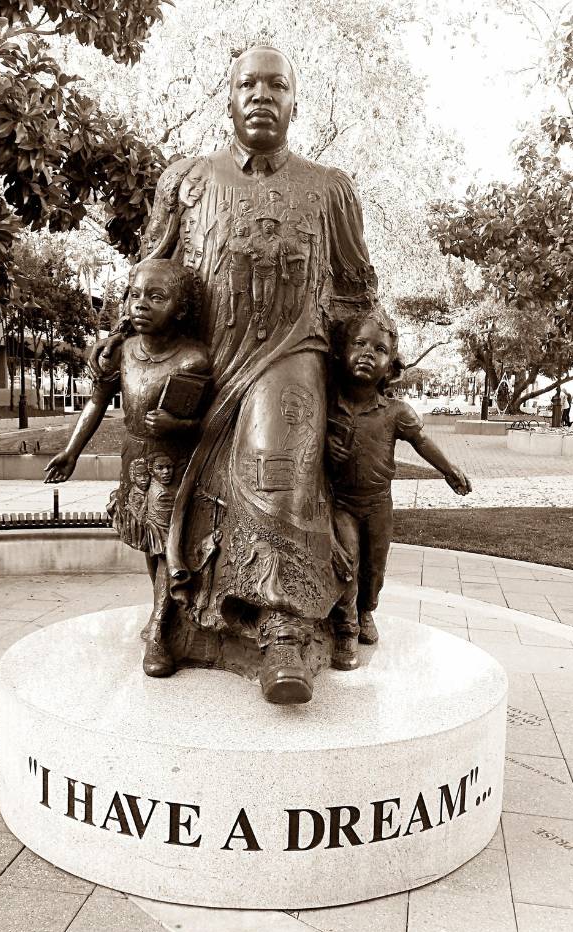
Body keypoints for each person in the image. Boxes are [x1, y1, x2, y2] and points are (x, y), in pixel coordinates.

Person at [134, 44, 380, 704]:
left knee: (278, 461)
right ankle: (176, 613)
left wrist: (362, 374)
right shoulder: (184, 181)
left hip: (291, 353)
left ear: (297, 102)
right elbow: (147, 276)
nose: (262, 95)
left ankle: (282, 629)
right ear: (229, 98)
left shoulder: (329, 189)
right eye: (248, 84)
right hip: (205, 359)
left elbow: (357, 291)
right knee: (171, 483)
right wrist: (132, 356)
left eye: (277, 85)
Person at [46, 259, 211, 677]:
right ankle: (160, 614)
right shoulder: (121, 352)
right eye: (135, 295)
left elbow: (210, 422)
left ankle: (159, 629)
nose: (142, 305)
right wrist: (71, 452)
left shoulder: (193, 359)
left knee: (163, 544)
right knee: (146, 543)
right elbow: (96, 403)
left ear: (181, 308)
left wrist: (179, 425)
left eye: (157, 297)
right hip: (133, 460)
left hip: (170, 466)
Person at [325, 307, 470, 668]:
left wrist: (449, 470)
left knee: (374, 568)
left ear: (390, 366)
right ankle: (345, 629)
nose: (367, 354)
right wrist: (326, 444)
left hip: (378, 504)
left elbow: (421, 442)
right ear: (342, 353)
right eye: (359, 344)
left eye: (379, 349)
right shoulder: (326, 406)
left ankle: (366, 611)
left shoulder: (395, 412)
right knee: (347, 561)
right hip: (340, 501)